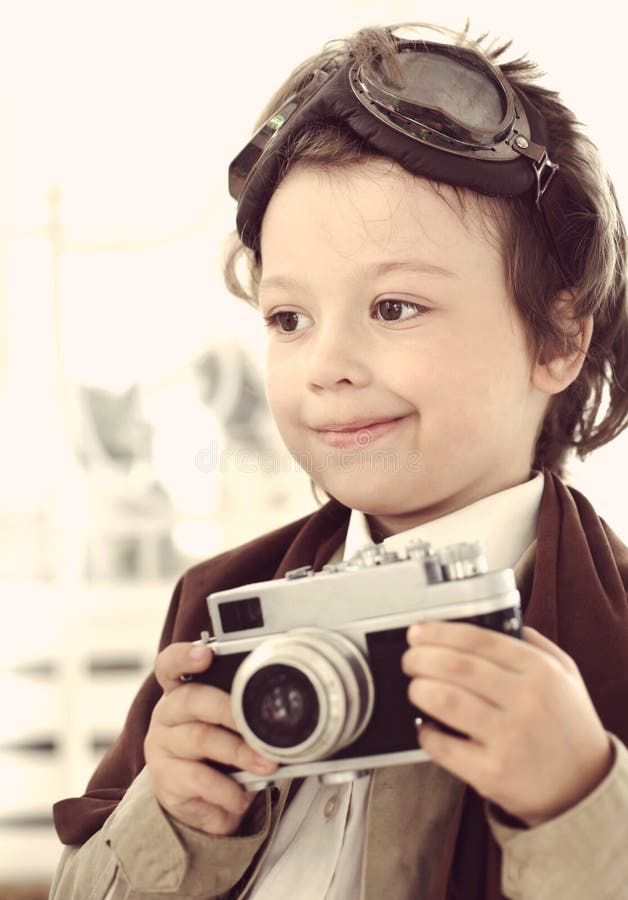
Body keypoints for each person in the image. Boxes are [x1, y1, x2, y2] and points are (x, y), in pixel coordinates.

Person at [50, 22, 628, 900]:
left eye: (394, 307)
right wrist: (170, 820)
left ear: (558, 339)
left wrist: (578, 803)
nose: (326, 365)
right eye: (290, 319)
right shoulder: (215, 608)